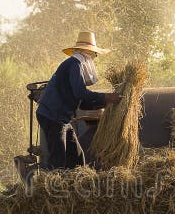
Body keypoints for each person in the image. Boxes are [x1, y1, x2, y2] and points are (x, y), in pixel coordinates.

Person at [36, 31, 122, 169]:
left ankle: (75, 180)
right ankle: (52, 182)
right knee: (58, 158)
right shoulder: (75, 64)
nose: (94, 57)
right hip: (52, 116)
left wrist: (106, 102)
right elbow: (81, 93)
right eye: (94, 54)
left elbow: (82, 103)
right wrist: (106, 97)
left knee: (77, 157)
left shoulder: (76, 64)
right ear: (87, 52)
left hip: (62, 118)